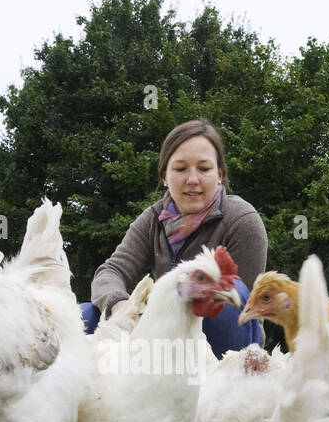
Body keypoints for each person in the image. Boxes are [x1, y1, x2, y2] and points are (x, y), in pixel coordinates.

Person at [83, 120, 267, 357]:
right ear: (164, 176)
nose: (192, 179)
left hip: (224, 348)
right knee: (86, 316)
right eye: (180, 169)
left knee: (228, 292)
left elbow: (246, 309)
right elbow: (110, 272)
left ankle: (222, 387)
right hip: (162, 340)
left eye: (204, 168)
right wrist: (121, 307)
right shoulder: (152, 220)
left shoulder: (242, 220)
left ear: (219, 174)